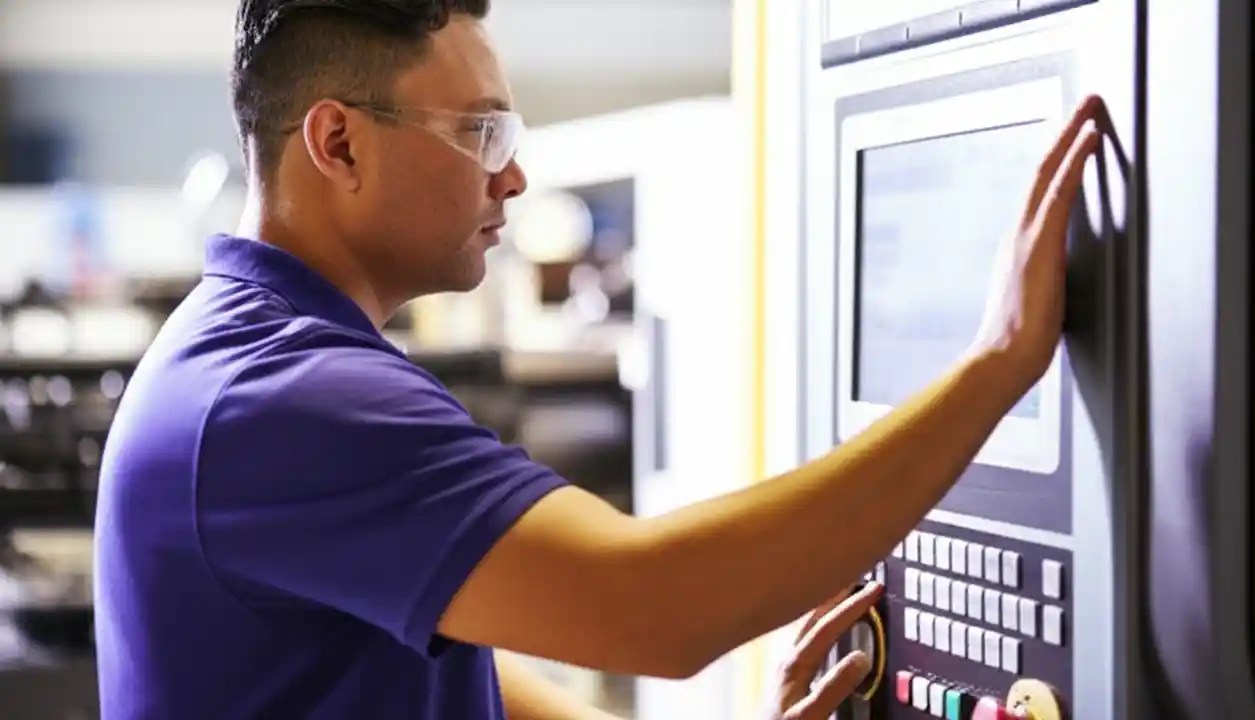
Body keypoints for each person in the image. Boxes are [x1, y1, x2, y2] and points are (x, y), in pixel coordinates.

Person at [92, 1, 1103, 718]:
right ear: (339, 143)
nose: (515, 175)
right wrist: (997, 366)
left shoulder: (245, 353)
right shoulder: (281, 397)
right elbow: (657, 608)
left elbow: (451, 672)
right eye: (481, 133)